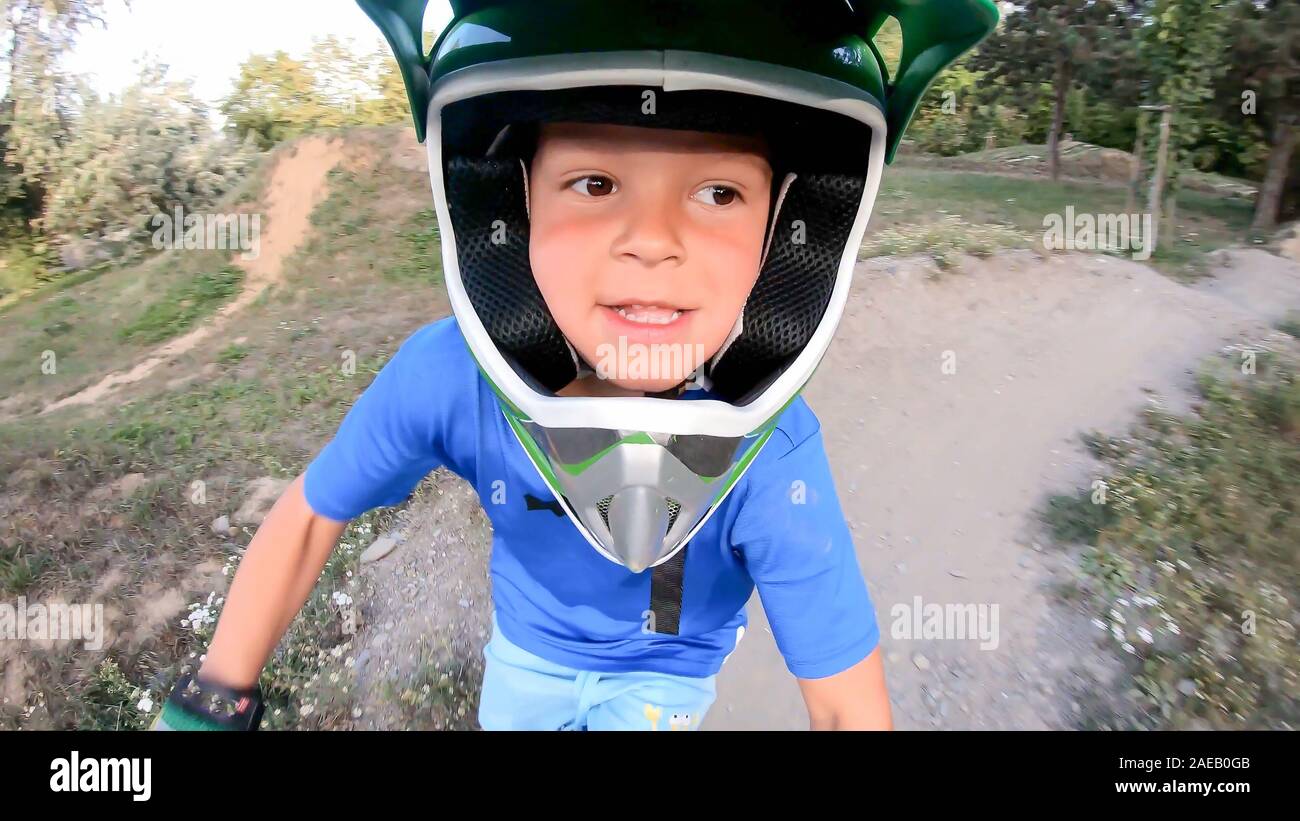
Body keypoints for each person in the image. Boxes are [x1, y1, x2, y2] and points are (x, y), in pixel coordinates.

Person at [152, 0, 998, 732]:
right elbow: (308, 515)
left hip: (665, 672)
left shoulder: (772, 457)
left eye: (718, 193)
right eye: (595, 183)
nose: (655, 241)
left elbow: (848, 704)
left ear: (786, 237)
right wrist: (212, 698)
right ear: (509, 210)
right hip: (527, 652)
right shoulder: (453, 380)